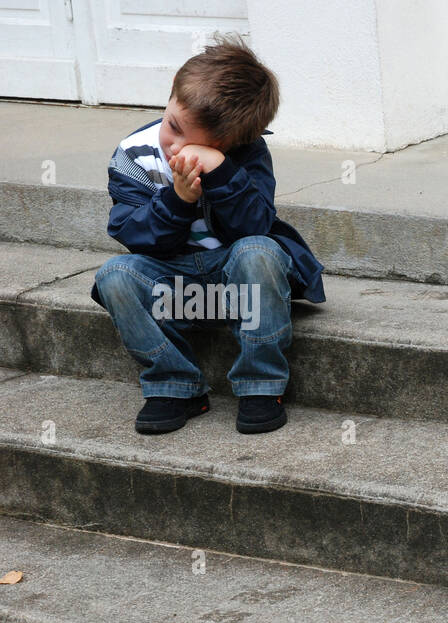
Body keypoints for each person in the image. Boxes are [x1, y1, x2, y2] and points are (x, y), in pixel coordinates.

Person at [90, 33, 325, 434]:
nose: (173, 145)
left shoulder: (246, 153)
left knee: (258, 250)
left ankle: (261, 385)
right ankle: (174, 384)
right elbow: (134, 233)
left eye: (191, 142)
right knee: (114, 275)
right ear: (170, 98)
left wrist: (220, 172)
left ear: (229, 143)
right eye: (172, 125)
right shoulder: (134, 154)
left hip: (238, 286)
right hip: (175, 287)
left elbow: (256, 225)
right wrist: (178, 201)